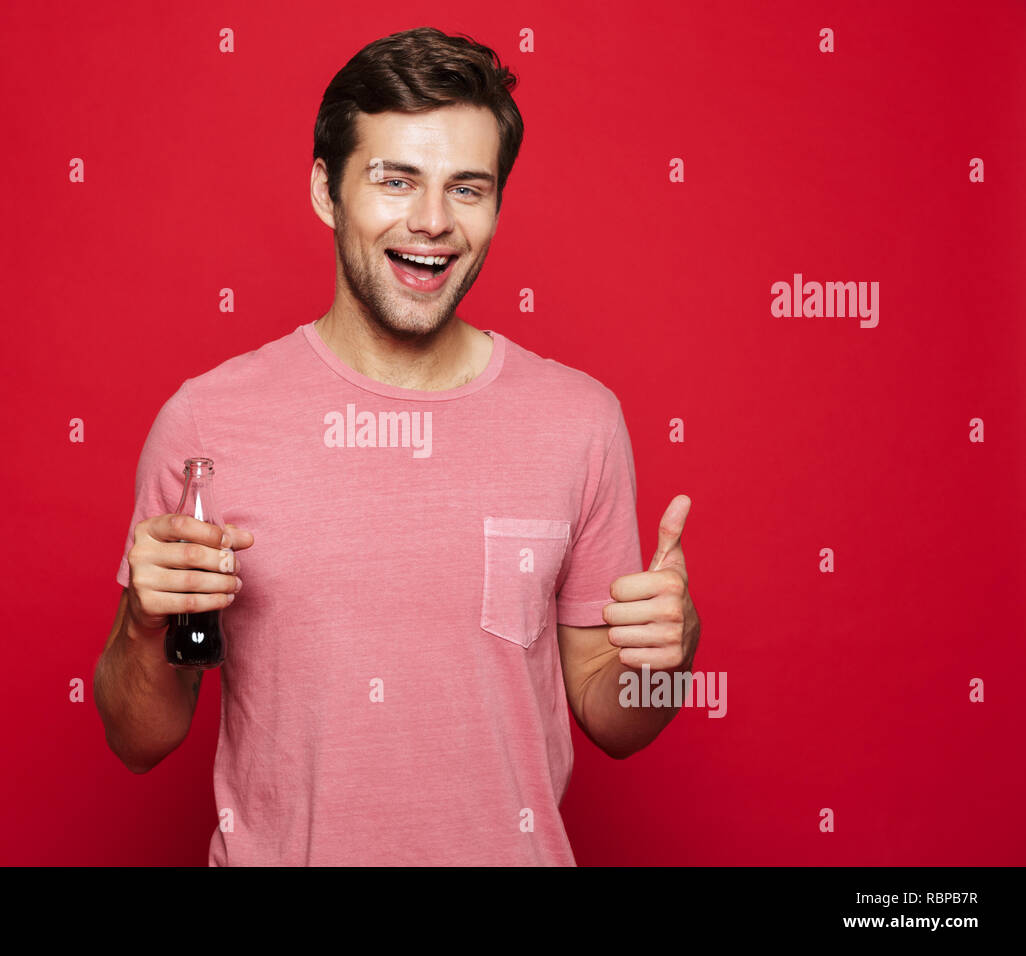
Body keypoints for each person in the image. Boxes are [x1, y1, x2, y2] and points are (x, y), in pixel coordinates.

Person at [94, 26, 700, 866]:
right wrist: (140, 623)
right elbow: (138, 738)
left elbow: (615, 718)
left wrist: (668, 658)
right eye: (395, 179)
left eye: (467, 189)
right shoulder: (206, 425)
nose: (431, 222)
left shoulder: (581, 421)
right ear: (324, 190)